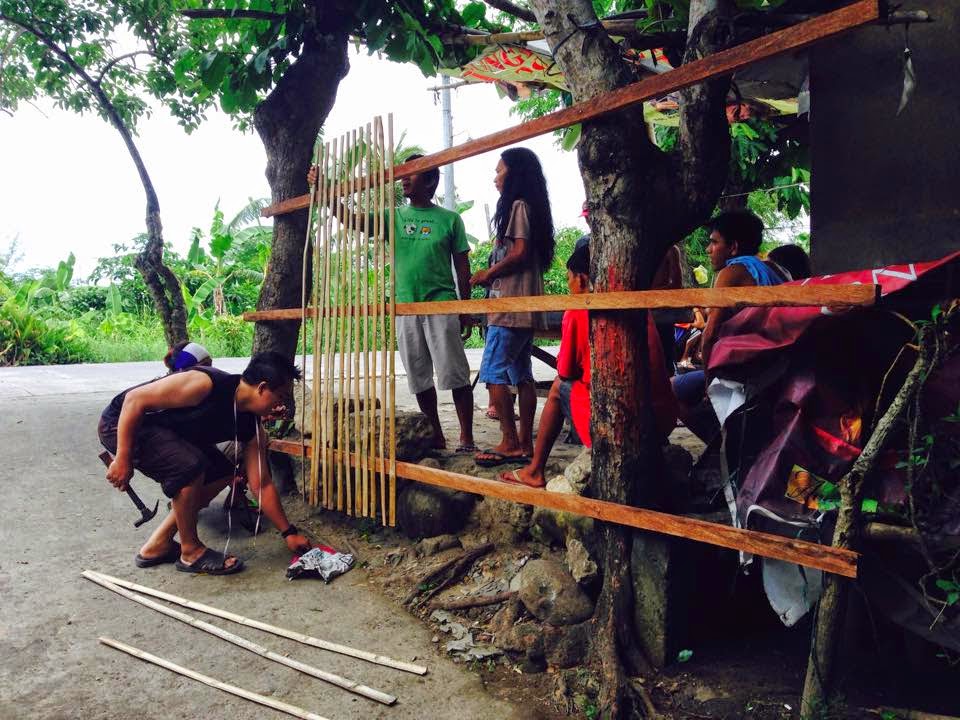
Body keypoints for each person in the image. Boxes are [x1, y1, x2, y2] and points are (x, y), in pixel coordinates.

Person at [308, 156, 475, 453]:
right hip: (405, 307)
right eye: (402, 175)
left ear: (430, 180)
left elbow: (463, 267)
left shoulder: (450, 219)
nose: (404, 179)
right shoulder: (392, 216)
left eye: (411, 174)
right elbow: (353, 219)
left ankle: (466, 438)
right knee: (419, 375)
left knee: (455, 373)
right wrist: (326, 191)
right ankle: (436, 432)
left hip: (441, 305)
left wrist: (466, 309)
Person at [99, 351, 309, 575]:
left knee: (220, 471)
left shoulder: (251, 427)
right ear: (262, 388)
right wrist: (123, 458)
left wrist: (289, 533)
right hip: (121, 425)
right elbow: (134, 400)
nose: (281, 406)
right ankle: (190, 552)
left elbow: (262, 485)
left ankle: (158, 545)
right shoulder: (206, 384)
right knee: (190, 466)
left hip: (167, 432)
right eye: (280, 397)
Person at [470, 148, 555, 467]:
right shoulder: (532, 208)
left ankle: (509, 440)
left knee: (493, 372)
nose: (496, 177)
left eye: (499, 171)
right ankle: (524, 443)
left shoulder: (518, 206)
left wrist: (487, 274)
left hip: (510, 305)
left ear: (514, 173)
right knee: (522, 374)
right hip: (524, 305)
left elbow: (518, 252)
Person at [672, 210, 786, 428]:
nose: (708, 249)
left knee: (671, 389)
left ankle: (719, 445)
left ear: (733, 247)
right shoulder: (773, 269)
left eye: (714, 242)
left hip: (746, 373)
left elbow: (710, 334)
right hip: (776, 367)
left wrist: (708, 381)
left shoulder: (732, 272)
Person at [497, 243, 592, 487]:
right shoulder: (633, 299)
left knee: (559, 386)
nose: (569, 284)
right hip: (660, 422)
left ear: (580, 279)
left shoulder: (580, 308)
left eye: (568, 278)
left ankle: (535, 469)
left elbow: (566, 370)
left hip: (619, 423)